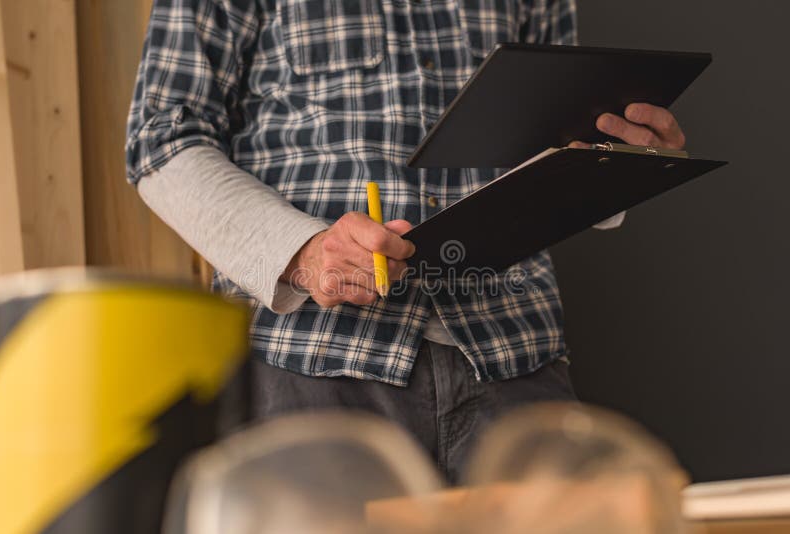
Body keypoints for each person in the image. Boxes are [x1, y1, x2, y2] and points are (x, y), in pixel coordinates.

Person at [126, 0, 686, 483]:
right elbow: (160, 140)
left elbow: (559, 137)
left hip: (516, 355)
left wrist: (615, 163)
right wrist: (304, 253)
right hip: (313, 364)